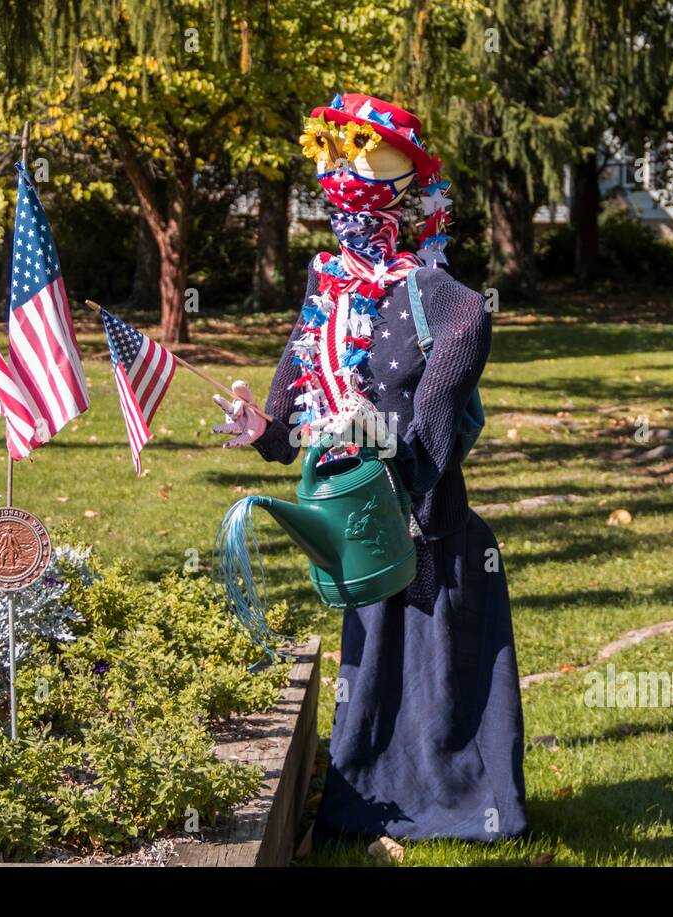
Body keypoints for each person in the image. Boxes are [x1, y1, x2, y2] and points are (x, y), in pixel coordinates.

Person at [214, 94, 527, 842]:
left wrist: (377, 436)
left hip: (430, 530)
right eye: (332, 155)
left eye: (365, 154)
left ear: (410, 179)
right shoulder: (327, 290)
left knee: (439, 679)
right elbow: (288, 421)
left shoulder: (452, 307)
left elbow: (435, 445)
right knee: (370, 672)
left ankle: (464, 812)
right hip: (353, 526)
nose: (344, 174)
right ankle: (365, 809)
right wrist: (263, 429)